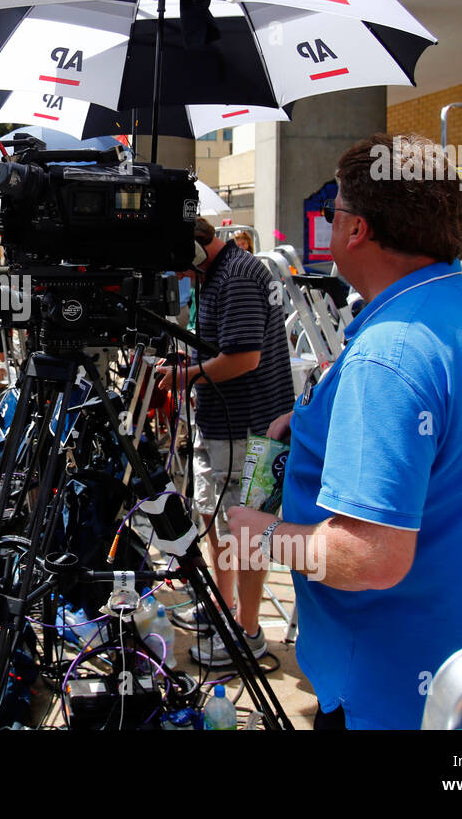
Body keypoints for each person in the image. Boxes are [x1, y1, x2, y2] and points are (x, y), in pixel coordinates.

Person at [228, 134, 462, 730]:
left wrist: (261, 534)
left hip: (400, 697)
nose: (327, 226)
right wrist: (319, 427)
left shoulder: (390, 354)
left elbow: (370, 558)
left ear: (357, 230)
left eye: (333, 212)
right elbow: (458, 458)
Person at [155, 217, 294, 665]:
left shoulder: (236, 275)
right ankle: (223, 608)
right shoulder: (219, 274)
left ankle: (248, 633)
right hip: (223, 427)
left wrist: (187, 376)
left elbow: (244, 357)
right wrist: (190, 358)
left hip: (249, 430)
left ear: (195, 253)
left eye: (179, 268)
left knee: (246, 535)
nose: (178, 278)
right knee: (218, 526)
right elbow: (223, 345)